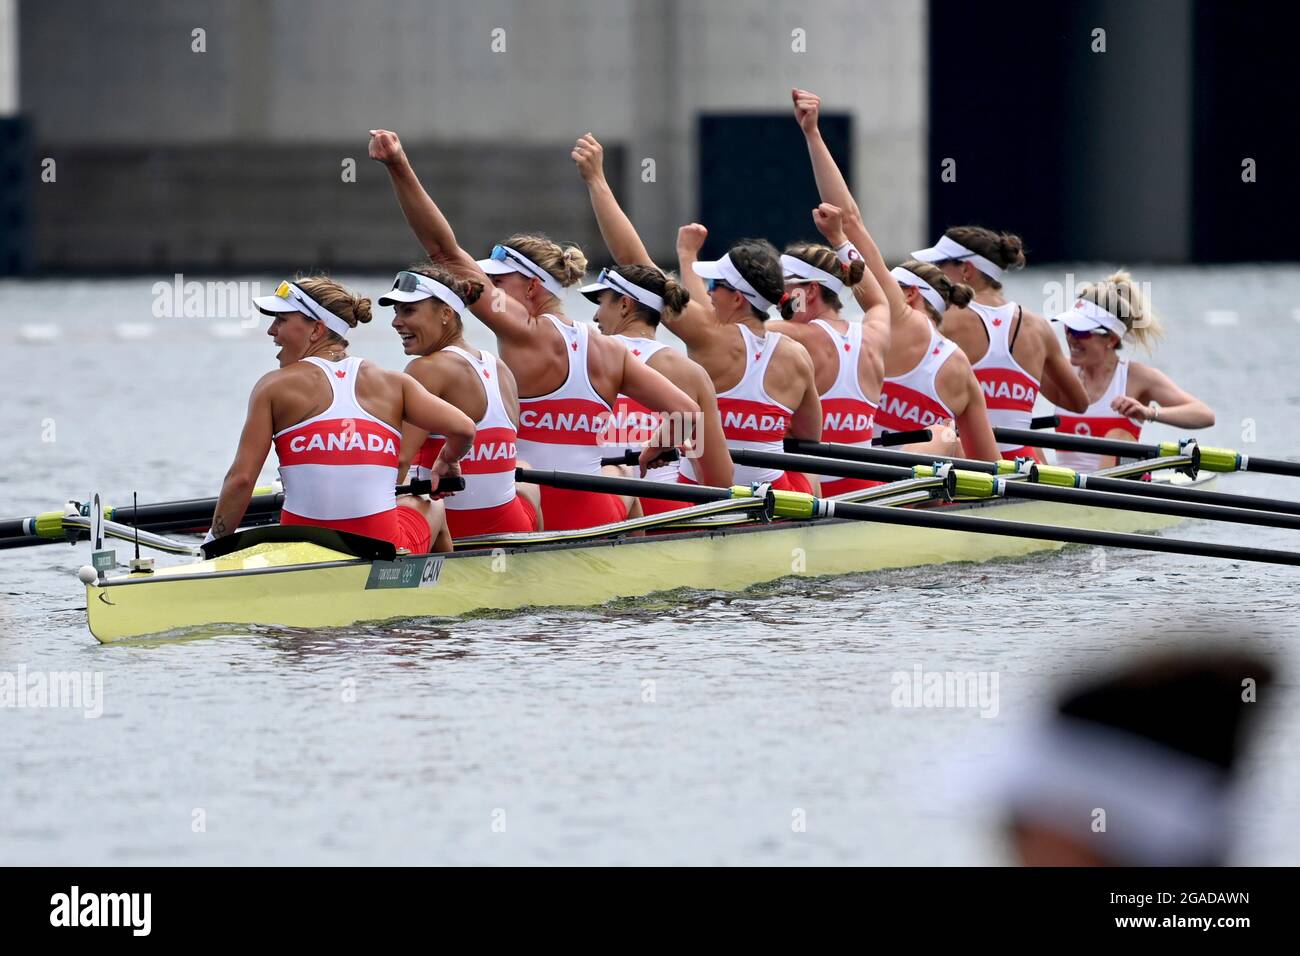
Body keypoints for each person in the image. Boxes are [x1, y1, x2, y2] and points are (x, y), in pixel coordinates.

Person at [369, 128, 700, 530]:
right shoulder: (611, 350)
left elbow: (442, 252)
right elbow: (687, 413)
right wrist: (657, 447)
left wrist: (398, 166)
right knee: (623, 478)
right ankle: (625, 548)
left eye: (500, 282)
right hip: (593, 511)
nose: (490, 291)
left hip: (540, 511)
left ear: (532, 286)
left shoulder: (522, 331)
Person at [791, 87, 999, 461]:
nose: (872, 279)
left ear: (909, 295)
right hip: (906, 492)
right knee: (949, 437)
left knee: (944, 436)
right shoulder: (961, 369)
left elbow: (849, 220)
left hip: (865, 488)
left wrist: (813, 134)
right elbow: (991, 466)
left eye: (889, 279)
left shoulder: (897, 322)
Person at [208, 276, 474, 554]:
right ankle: (440, 588)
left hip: (298, 549)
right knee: (432, 504)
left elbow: (241, 479)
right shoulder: (394, 383)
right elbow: (464, 429)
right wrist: (447, 459)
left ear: (316, 330)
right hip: (380, 548)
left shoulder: (272, 386)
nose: (271, 331)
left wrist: (213, 544)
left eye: (281, 320)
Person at [572, 132, 733, 513]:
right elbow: (719, 480)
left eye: (602, 303)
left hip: (591, 508)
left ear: (626, 305)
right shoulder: (690, 373)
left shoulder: (580, 354)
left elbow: (634, 258)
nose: (595, 315)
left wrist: (596, 181)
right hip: (667, 510)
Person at [381, 261, 542, 537]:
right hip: (512, 525)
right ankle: (535, 549)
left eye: (409, 310)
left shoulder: (426, 369)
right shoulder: (499, 367)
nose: (396, 322)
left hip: (457, 530)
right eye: (396, 312)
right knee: (524, 470)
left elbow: (397, 461)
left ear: (445, 312)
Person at [911, 226, 1088, 461]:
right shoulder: (1039, 327)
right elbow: (1078, 402)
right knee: (1036, 451)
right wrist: (1023, 379)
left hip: (971, 462)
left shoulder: (943, 319)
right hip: (1022, 459)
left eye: (939, 267)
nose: (934, 275)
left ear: (966, 270)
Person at [670, 225, 823, 492]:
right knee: (810, 478)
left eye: (714, 285)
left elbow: (638, 271)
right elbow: (809, 437)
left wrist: (685, 253)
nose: (707, 292)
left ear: (738, 298)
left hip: (700, 493)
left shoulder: (708, 338)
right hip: (775, 495)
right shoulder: (798, 356)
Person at [767, 203, 891, 496]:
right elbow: (878, 301)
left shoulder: (791, 335)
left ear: (810, 291)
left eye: (783, 288)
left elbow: (722, 333)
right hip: (865, 489)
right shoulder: (874, 336)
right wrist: (840, 239)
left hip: (815, 491)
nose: (778, 299)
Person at [1051, 271, 1215, 472]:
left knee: (1118, 436)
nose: (1070, 338)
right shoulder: (1061, 370)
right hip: (1064, 491)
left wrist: (1149, 413)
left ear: (1111, 339)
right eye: (1068, 328)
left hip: (1116, 491)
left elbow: (1205, 415)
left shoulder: (1136, 377)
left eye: (1079, 331)